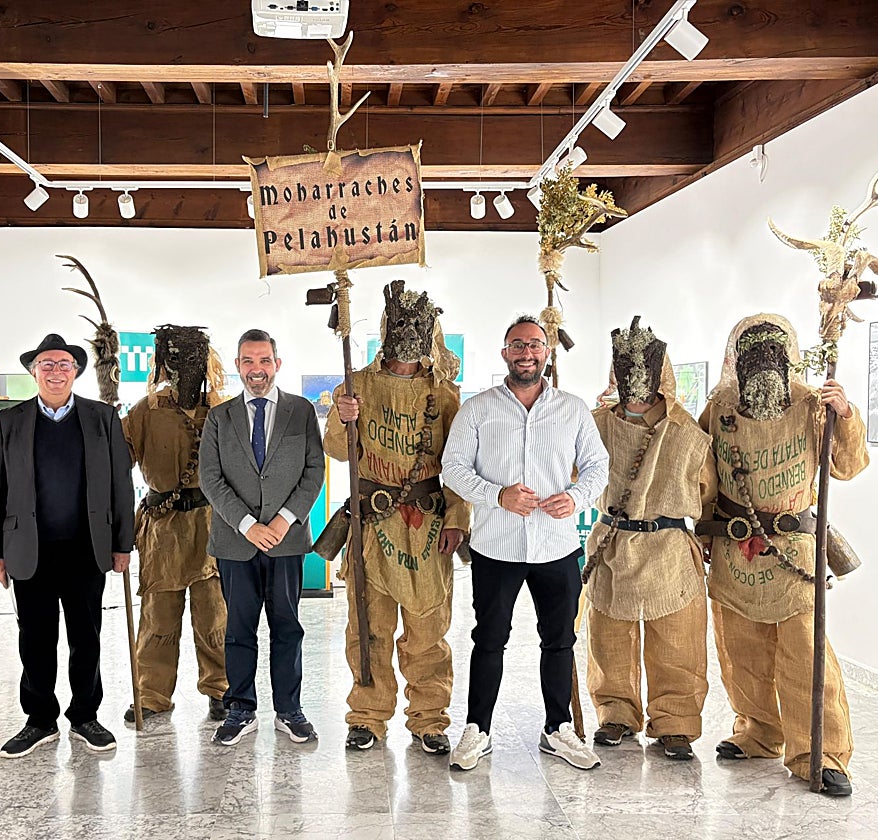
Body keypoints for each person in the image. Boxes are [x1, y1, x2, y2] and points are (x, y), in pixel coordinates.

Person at [696, 313, 867, 797]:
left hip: (793, 549)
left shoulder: (815, 405)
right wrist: (705, 529)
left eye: (774, 351)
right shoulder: (720, 409)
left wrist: (846, 416)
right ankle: (758, 731)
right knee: (741, 652)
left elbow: (848, 466)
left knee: (805, 655)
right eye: (754, 351)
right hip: (735, 548)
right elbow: (705, 471)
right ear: (737, 358)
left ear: (790, 356)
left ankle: (821, 751)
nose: (765, 361)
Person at [442, 314, 609, 772]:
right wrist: (497, 495)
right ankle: (478, 730)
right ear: (504, 354)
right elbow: (452, 468)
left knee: (559, 640)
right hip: (496, 547)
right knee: (489, 639)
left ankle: (558, 729)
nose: (526, 353)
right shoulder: (478, 409)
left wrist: (575, 499)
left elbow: (598, 466)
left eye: (535, 345)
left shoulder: (572, 409)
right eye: (517, 345)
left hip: (556, 546)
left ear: (546, 354)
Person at [323, 280, 468, 754]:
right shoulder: (357, 385)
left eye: (418, 324)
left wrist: (458, 518)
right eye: (401, 323)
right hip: (371, 527)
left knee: (428, 629)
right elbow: (335, 450)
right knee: (367, 628)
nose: (409, 333)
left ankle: (429, 718)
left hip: (426, 527)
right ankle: (366, 715)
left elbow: (461, 463)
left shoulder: (444, 394)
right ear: (387, 328)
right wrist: (343, 418)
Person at [0, 333, 135, 758]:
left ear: (76, 372)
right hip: (29, 549)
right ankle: (39, 720)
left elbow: (122, 483)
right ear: (34, 372)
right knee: (35, 638)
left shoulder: (102, 418)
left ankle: (85, 715)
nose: (55, 371)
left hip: (87, 547)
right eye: (46, 364)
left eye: (64, 364)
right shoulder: (10, 422)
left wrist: (123, 542)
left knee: (86, 637)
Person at [582, 317, 717, 761]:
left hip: (668, 548)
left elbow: (706, 492)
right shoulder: (596, 424)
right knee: (610, 638)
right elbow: (569, 472)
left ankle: (675, 723)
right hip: (614, 544)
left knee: (677, 639)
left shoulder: (689, 435)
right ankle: (615, 713)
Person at [198, 328, 325, 746]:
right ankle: (240, 708)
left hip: (286, 540)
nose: (257, 369)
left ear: (277, 363)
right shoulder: (219, 417)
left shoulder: (301, 411)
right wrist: (247, 524)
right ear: (237, 366)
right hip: (236, 541)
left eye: (264, 360)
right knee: (238, 628)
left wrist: (284, 520)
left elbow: (313, 472)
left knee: (287, 625)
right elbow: (211, 479)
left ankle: (289, 710)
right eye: (248, 361)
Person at [121, 325, 228, 724]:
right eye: (176, 357)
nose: (186, 365)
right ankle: (150, 692)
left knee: (214, 615)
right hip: (162, 529)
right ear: (163, 362)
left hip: (211, 526)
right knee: (158, 617)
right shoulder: (145, 411)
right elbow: (118, 462)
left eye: (194, 356)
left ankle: (221, 689)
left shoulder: (221, 410)